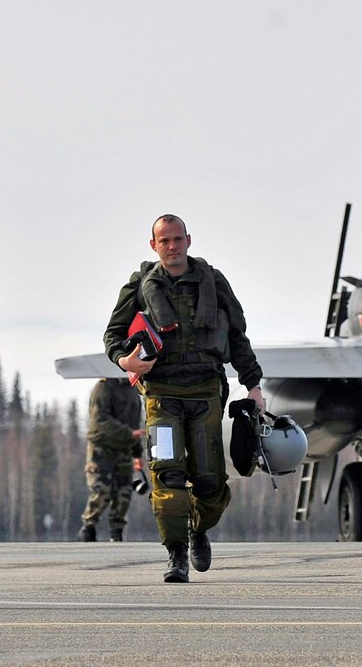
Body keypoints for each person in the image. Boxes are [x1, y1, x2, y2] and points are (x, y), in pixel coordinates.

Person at [104, 214, 264, 583]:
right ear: (154, 245)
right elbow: (112, 335)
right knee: (167, 474)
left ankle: (199, 529)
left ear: (188, 240)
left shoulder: (214, 281)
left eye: (178, 239)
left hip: (206, 393)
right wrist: (124, 360)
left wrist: (253, 387)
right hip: (161, 395)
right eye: (165, 241)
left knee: (209, 478)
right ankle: (175, 554)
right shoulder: (140, 284)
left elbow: (238, 337)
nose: (172, 247)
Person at [79, 377, 145, 542]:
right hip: (102, 448)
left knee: (124, 493)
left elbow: (134, 422)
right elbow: (100, 420)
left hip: (124, 448)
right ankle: (89, 527)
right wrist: (128, 434)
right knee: (101, 491)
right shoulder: (103, 388)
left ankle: (117, 532)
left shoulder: (133, 389)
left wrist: (137, 451)